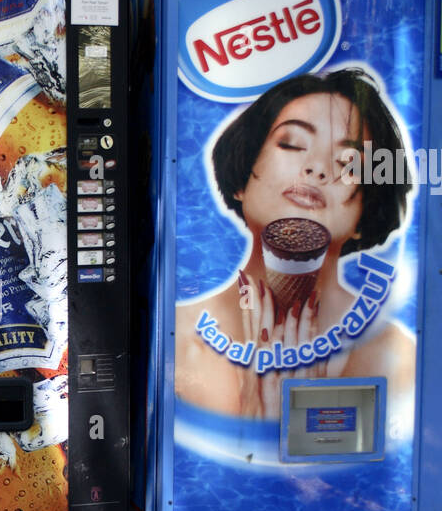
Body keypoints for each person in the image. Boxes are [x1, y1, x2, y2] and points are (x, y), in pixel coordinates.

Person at [175, 67, 415, 419]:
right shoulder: (177, 338)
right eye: (291, 143)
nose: (317, 168)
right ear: (242, 178)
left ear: (366, 213)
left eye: (347, 162)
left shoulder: (395, 356)